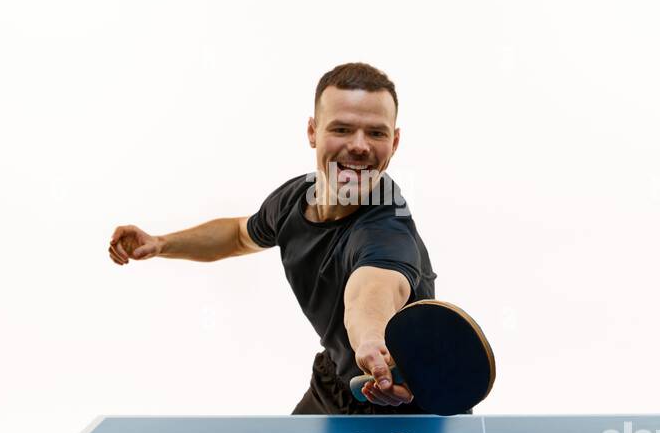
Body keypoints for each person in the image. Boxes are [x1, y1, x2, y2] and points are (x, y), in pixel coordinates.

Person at [108, 61, 436, 414]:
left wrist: (371, 340)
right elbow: (238, 234)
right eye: (342, 129)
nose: (359, 146)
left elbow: (370, 293)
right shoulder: (295, 200)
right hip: (334, 381)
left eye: (376, 133)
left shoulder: (387, 229)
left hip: (395, 397)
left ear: (395, 141)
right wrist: (161, 243)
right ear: (312, 131)